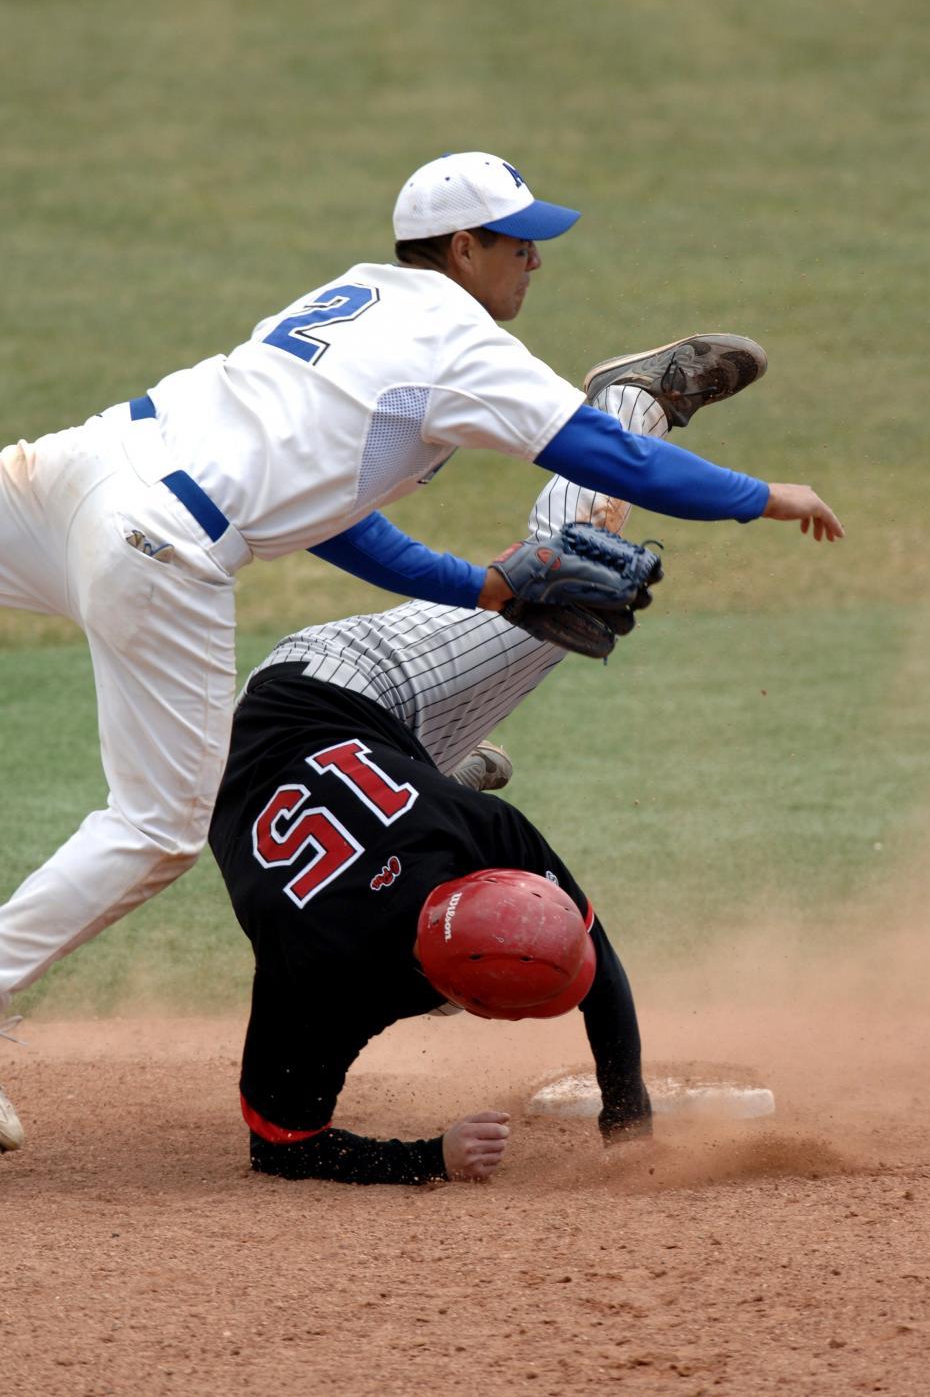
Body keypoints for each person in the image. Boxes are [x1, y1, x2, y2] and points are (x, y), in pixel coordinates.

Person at [0, 148, 842, 1143]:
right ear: (462, 245)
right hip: (158, 545)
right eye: (518, 243)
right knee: (156, 826)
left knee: (163, 809)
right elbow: (600, 453)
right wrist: (761, 498)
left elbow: (324, 512)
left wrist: (479, 586)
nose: (535, 261)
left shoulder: (355, 297)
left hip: (76, 472)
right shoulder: (455, 337)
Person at [202, 341, 773, 1183]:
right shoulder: (326, 976)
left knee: (561, 597)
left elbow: (594, 954)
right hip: (345, 737)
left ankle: (627, 407)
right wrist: (426, 1157)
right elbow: (277, 1148)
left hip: (331, 708)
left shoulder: (458, 846)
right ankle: (629, 405)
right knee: (561, 597)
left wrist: (629, 1121)